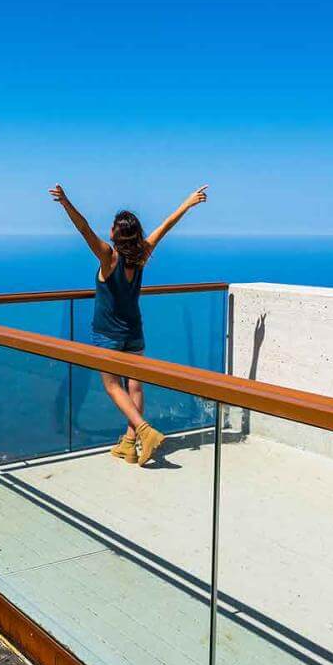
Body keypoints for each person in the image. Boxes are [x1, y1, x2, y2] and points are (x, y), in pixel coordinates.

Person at [49, 183, 209, 464]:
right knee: (135, 387)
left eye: (112, 227)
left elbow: (84, 229)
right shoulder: (142, 254)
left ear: (115, 234)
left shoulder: (108, 258)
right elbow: (167, 225)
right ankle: (130, 442)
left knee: (112, 386)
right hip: (134, 332)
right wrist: (187, 204)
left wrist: (66, 203)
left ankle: (145, 431)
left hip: (108, 336)